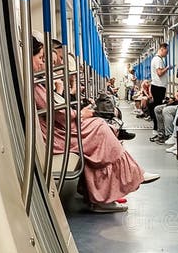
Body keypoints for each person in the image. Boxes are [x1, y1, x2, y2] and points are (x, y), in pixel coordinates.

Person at [32, 37, 158, 213]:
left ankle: (105, 193)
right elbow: (59, 113)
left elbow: (57, 110)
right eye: (41, 59)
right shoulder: (36, 85)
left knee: (100, 128)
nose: (43, 64)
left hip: (60, 128)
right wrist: (78, 112)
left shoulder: (38, 83)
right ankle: (124, 179)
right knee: (100, 128)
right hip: (57, 135)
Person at [150, 42, 169, 129]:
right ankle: (157, 127)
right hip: (158, 87)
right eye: (166, 51)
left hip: (158, 86)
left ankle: (157, 127)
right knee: (158, 108)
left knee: (156, 106)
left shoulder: (157, 59)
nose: (167, 53)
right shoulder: (158, 60)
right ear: (162, 49)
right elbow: (160, 73)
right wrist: (167, 68)